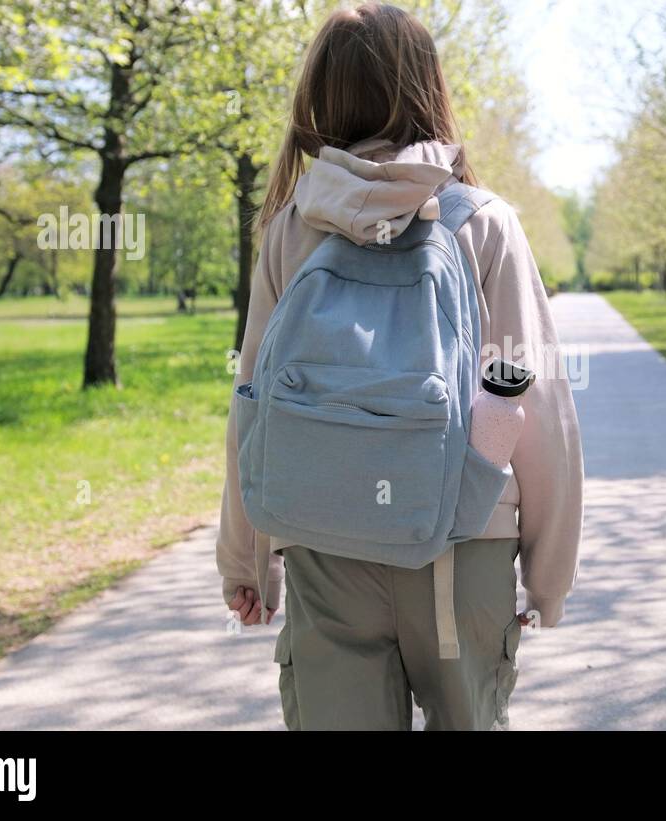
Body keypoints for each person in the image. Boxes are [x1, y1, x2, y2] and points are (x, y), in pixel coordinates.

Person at [215, 1, 584, 731]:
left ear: (318, 100)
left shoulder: (290, 230)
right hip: (462, 539)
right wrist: (549, 579)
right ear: (430, 90)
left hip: (327, 540)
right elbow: (537, 411)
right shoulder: (482, 222)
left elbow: (254, 406)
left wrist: (248, 562)